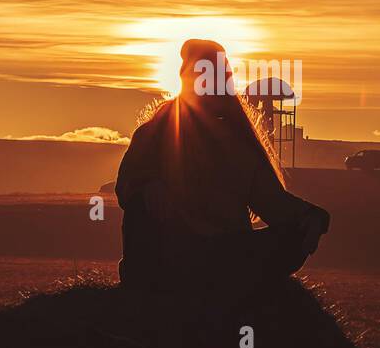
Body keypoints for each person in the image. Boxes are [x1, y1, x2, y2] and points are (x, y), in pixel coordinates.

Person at [115, 39, 330, 293]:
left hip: (228, 255)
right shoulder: (154, 134)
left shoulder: (237, 144)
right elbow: (127, 186)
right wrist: (146, 186)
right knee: (142, 211)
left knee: (292, 234)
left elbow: (273, 202)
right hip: (173, 253)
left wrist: (310, 217)